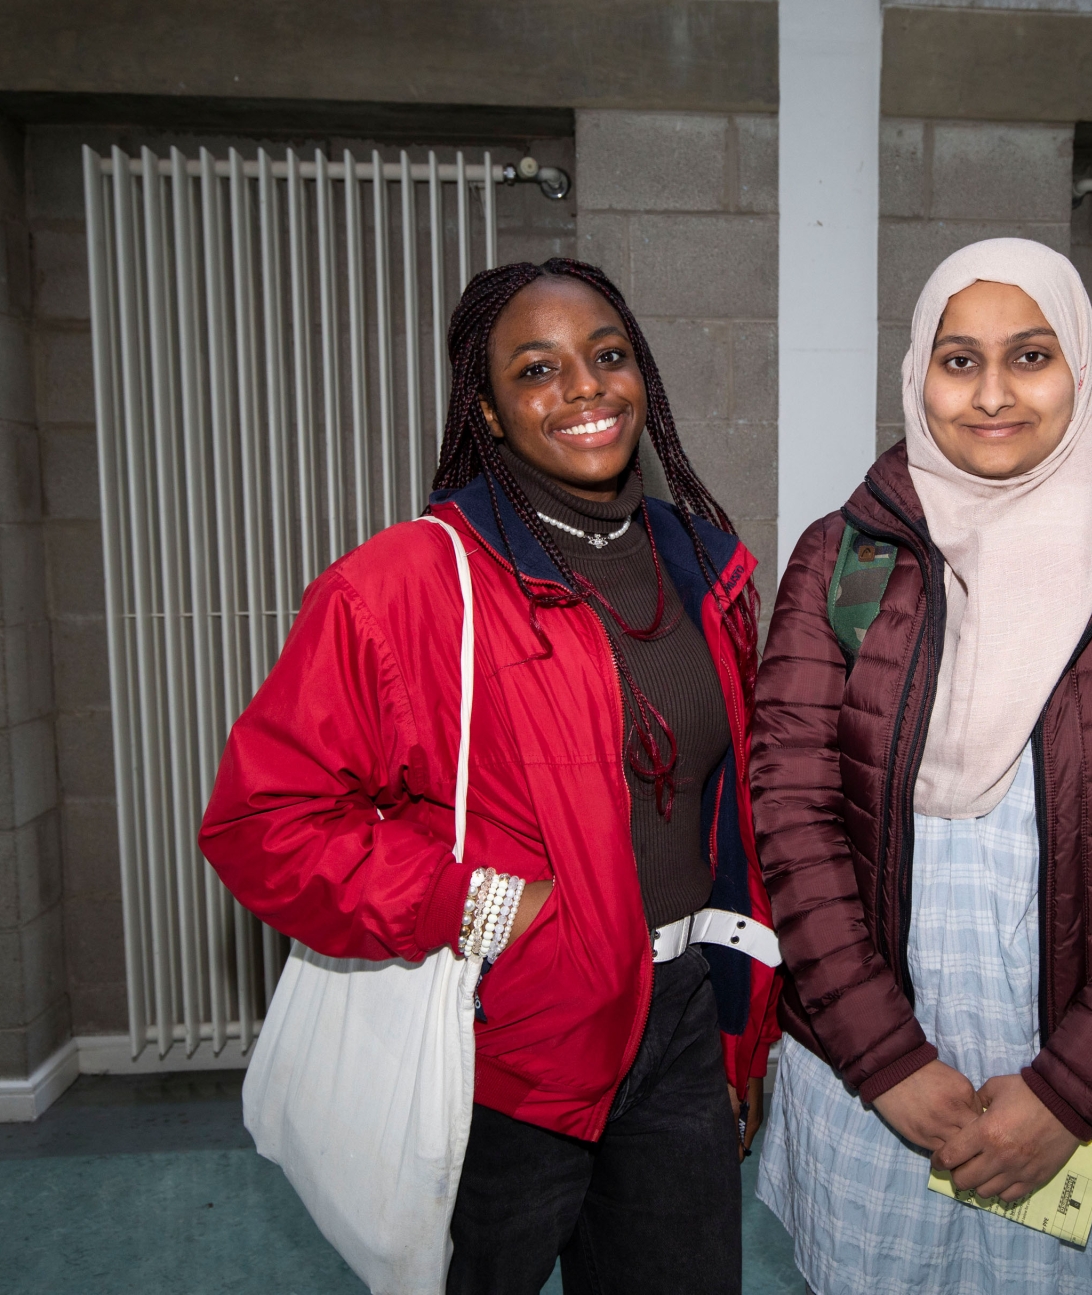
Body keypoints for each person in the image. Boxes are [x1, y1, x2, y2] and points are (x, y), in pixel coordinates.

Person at [200, 258, 782, 1294]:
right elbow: (262, 821)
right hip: (504, 1046)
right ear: (490, 408)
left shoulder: (706, 556)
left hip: (682, 1018)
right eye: (537, 369)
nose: (586, 389)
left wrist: (740, 1027)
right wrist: (472, 900)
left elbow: (730, 815)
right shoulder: (404, 586)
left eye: (607, 356)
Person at [750, 238, 1092, 1295]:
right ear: (917, 376)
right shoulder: (838, 558)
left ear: (1081, 368)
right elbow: (793, 819)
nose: (992, 393)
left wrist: (1071, 1091)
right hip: (876, 1068)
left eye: (1030, 356)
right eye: (959, 359)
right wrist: (887, 1061)